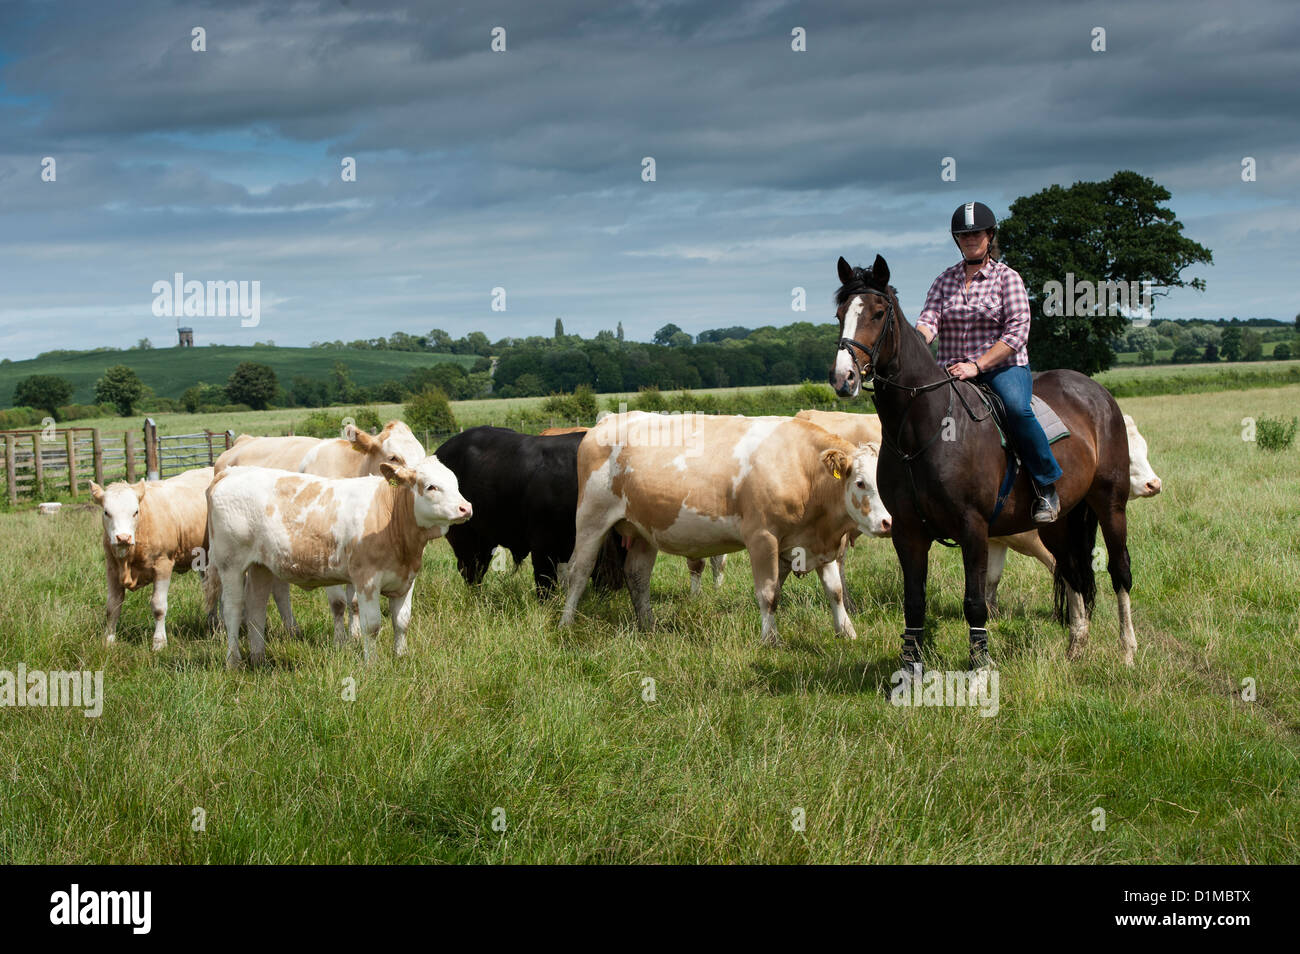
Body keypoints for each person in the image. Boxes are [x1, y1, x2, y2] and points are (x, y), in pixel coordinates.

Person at [915, 201, 1062, 522]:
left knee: (1017, 408)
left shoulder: (1007, 279)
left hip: (1001, 368)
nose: (970, 239)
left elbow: (1017, 332)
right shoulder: (944, 281)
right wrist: (919, 338)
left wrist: (978, 366)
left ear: (989, 235)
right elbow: (929, 319)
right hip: (951, 371)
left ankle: (1046, 485)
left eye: (976, 233)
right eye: (963, 235)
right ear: (956, 240)